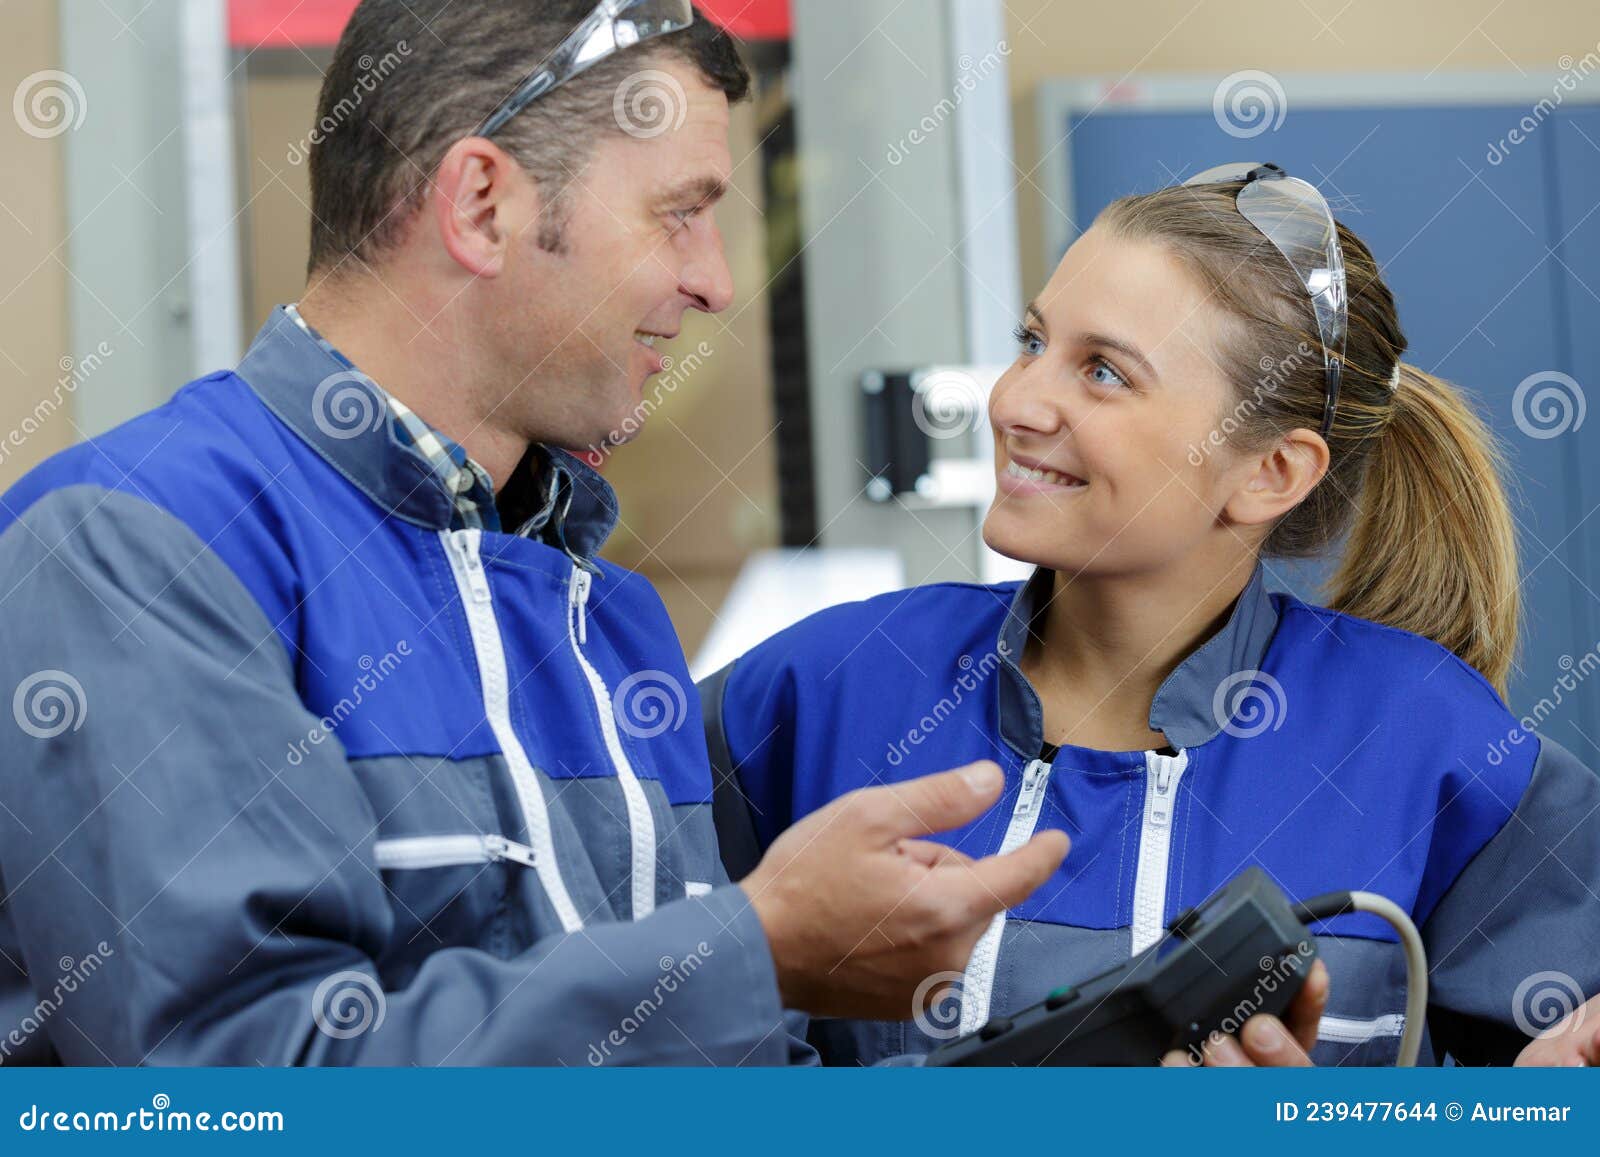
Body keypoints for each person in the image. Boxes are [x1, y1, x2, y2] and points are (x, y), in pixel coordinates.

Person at [0, 0, 1070, 1065]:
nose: (716, 280)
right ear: (480, 205)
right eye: (677, 213)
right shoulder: (133, 551)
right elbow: (241, 1091)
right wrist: (752, 950)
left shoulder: (606, 620)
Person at [702, 164, 1600, 1066]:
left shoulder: (1427, 739)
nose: (1013, 401)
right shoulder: (828, 685)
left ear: (1270, 473)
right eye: (1031, 341)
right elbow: (635, 1043)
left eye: (1102, 371)